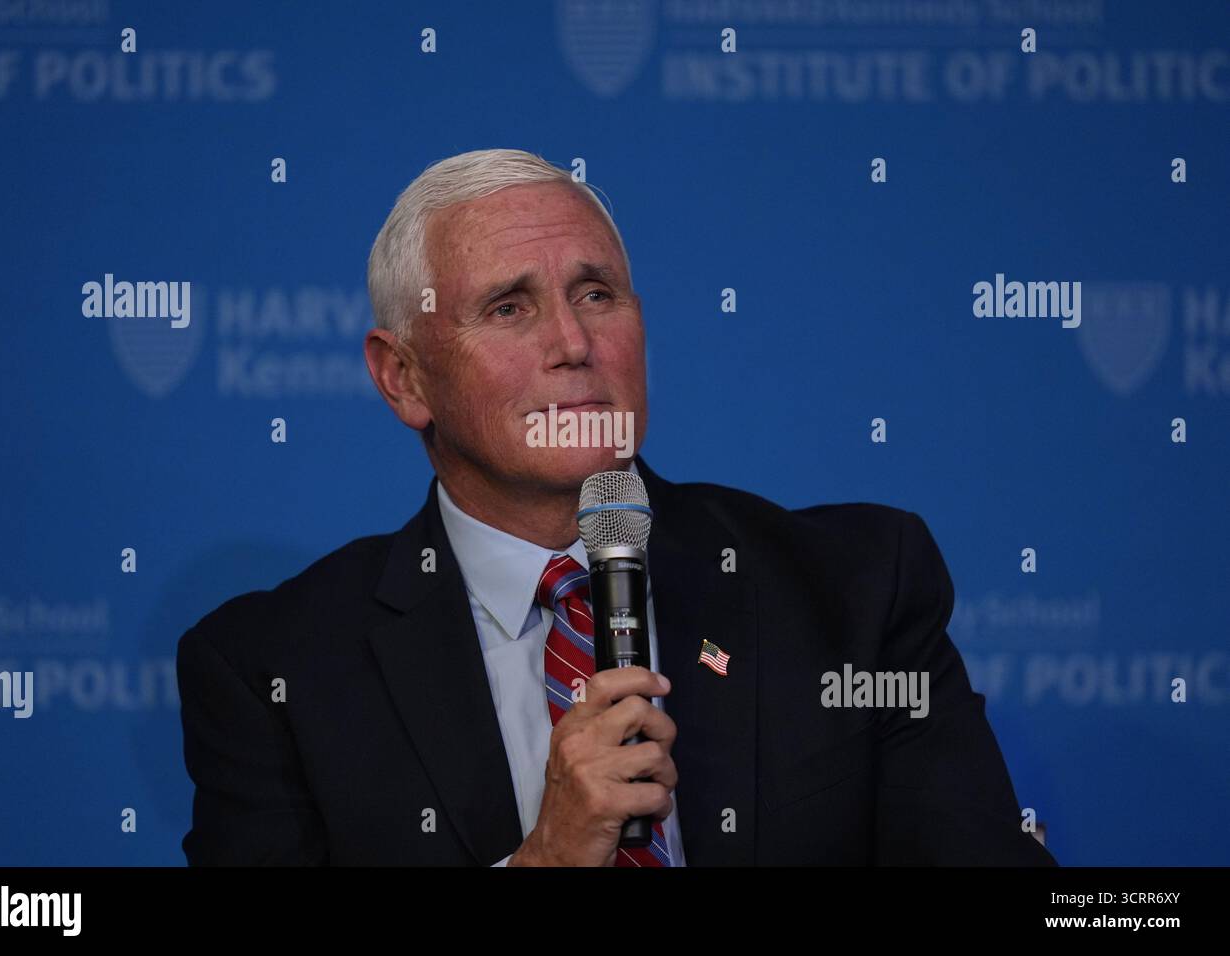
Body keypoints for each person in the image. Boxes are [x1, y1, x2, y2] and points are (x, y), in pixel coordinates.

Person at [177, 148, 1055, 866]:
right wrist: (547, 862)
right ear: (403, 377)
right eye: (509, 307)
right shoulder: (271, 673)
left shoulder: (853, 591)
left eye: (596, 294)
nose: (573, 343)